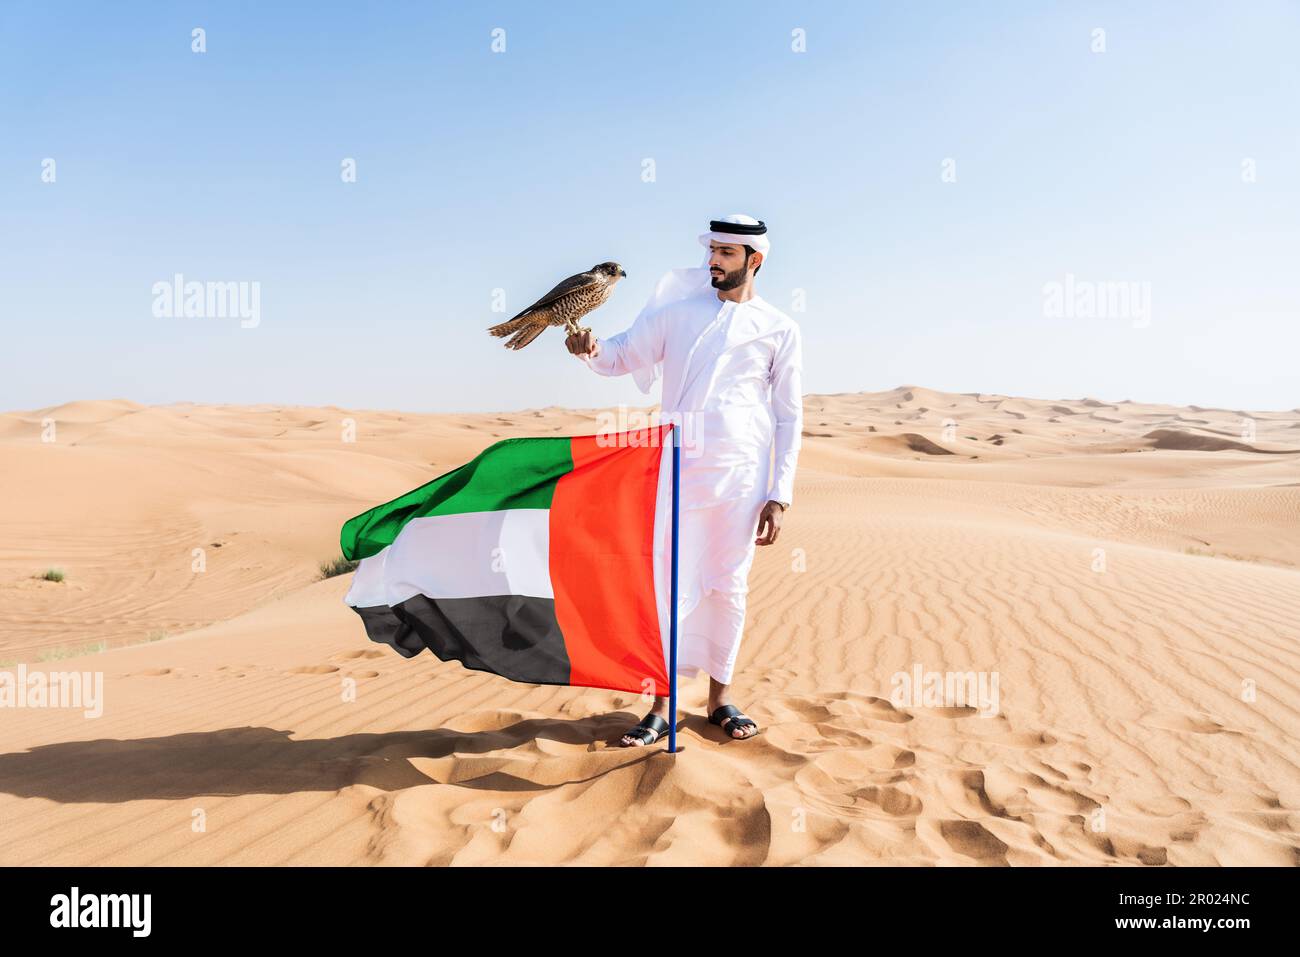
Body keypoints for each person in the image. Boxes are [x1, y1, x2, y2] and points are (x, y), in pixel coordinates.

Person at [565, 214, 803, 745]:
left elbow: (789, 416)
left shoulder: (780, 328)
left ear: (754, 260)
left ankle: (721, 699)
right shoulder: (676, 314)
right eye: (711, 251)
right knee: (670, 587)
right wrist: (591, 349)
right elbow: (622, 355)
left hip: (742, 482)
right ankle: (661, 704)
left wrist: (778, 494)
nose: (713, 261)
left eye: (725, 253)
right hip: (678, 473)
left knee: (729, 586)